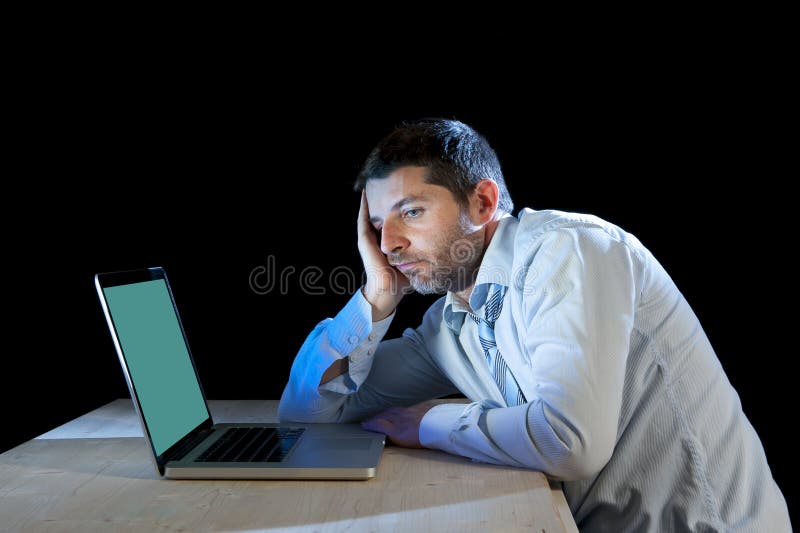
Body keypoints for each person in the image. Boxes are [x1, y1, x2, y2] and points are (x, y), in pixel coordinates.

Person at [278, 118, 790, 531]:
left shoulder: (568, 252)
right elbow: (309, 412)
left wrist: (427, 424)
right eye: (376, 226)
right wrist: (375, 299)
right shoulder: (449, 327)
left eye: (410, 212)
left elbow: (572, 443)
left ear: (482, 203)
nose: (388, 243)